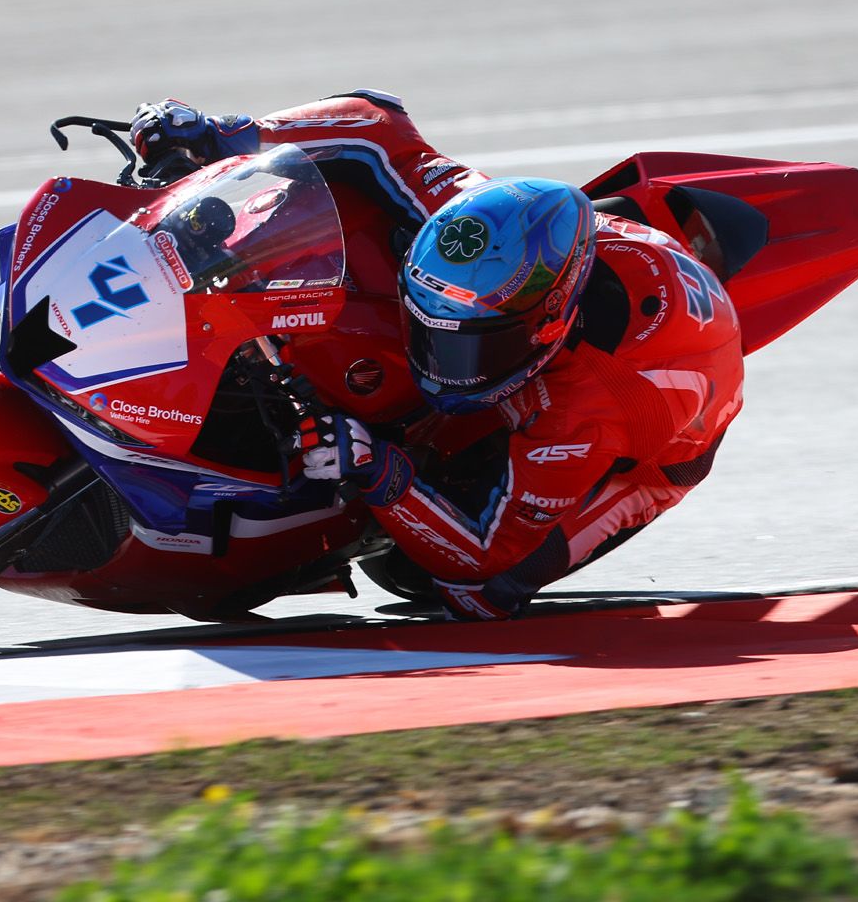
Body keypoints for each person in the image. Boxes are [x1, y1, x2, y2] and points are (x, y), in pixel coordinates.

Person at [129, 91, 745, 620]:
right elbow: (375, 121)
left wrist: (377, 469)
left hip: (658, 443)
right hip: (601, 285)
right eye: (433, 332)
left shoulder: (586, 413)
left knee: (476, 594)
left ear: (549, 324)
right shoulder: (458, 219)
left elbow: (483, 558)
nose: (441, 361)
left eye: (470, 345)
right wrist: (221, 135)